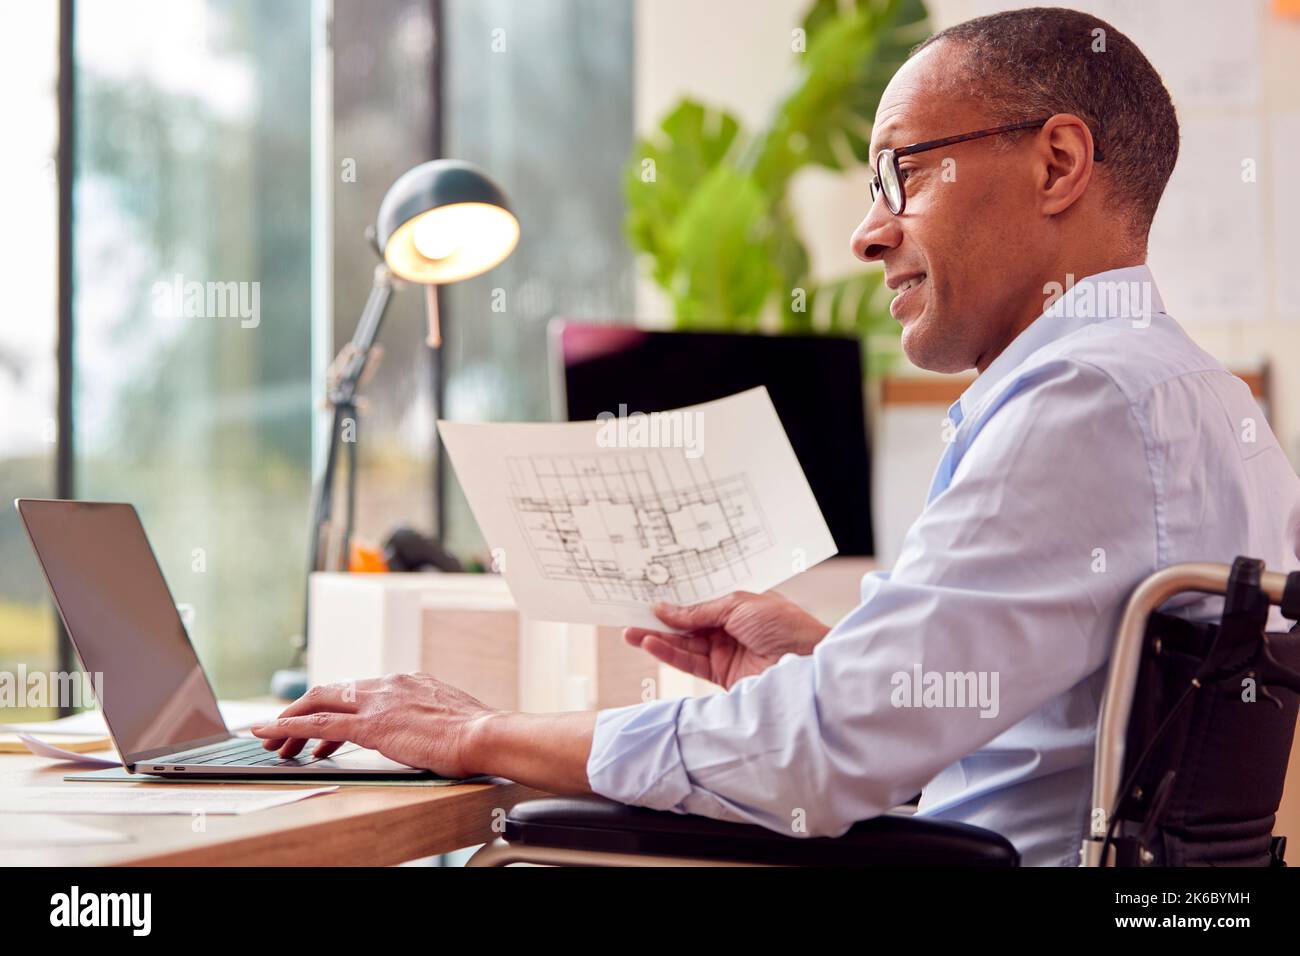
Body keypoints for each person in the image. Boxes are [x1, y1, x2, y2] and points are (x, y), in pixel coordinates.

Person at [252, 7, 1300, 866]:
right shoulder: (1203, 404)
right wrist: (836, 659)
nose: (867, 227)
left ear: (1057, 162)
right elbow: (1064, 737)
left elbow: (814, 762)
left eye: (901, 171)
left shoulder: (1076, 404)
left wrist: (475, 732)